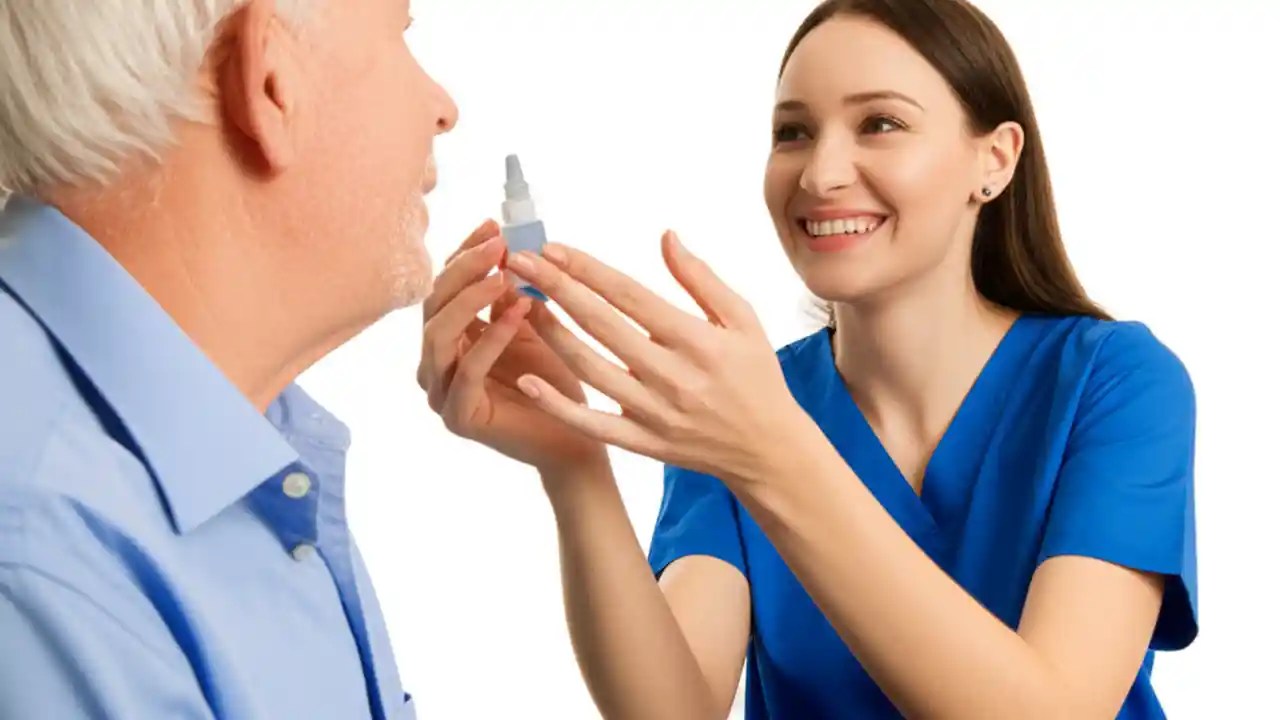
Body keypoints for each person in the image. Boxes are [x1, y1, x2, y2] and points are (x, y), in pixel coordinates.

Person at [420, 0, 1198, 718]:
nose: (820, 174)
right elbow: (674, 709)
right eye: (792, 132)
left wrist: (770, 453)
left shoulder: (1116, 383)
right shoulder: (742, 398)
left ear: (994, 161)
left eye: (881, 124)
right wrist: (574, 466)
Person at [0, 0, 459, 717]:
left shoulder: (248, 449)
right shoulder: (41, 548)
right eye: (400, 35)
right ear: (269, 82)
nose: (442, 109)